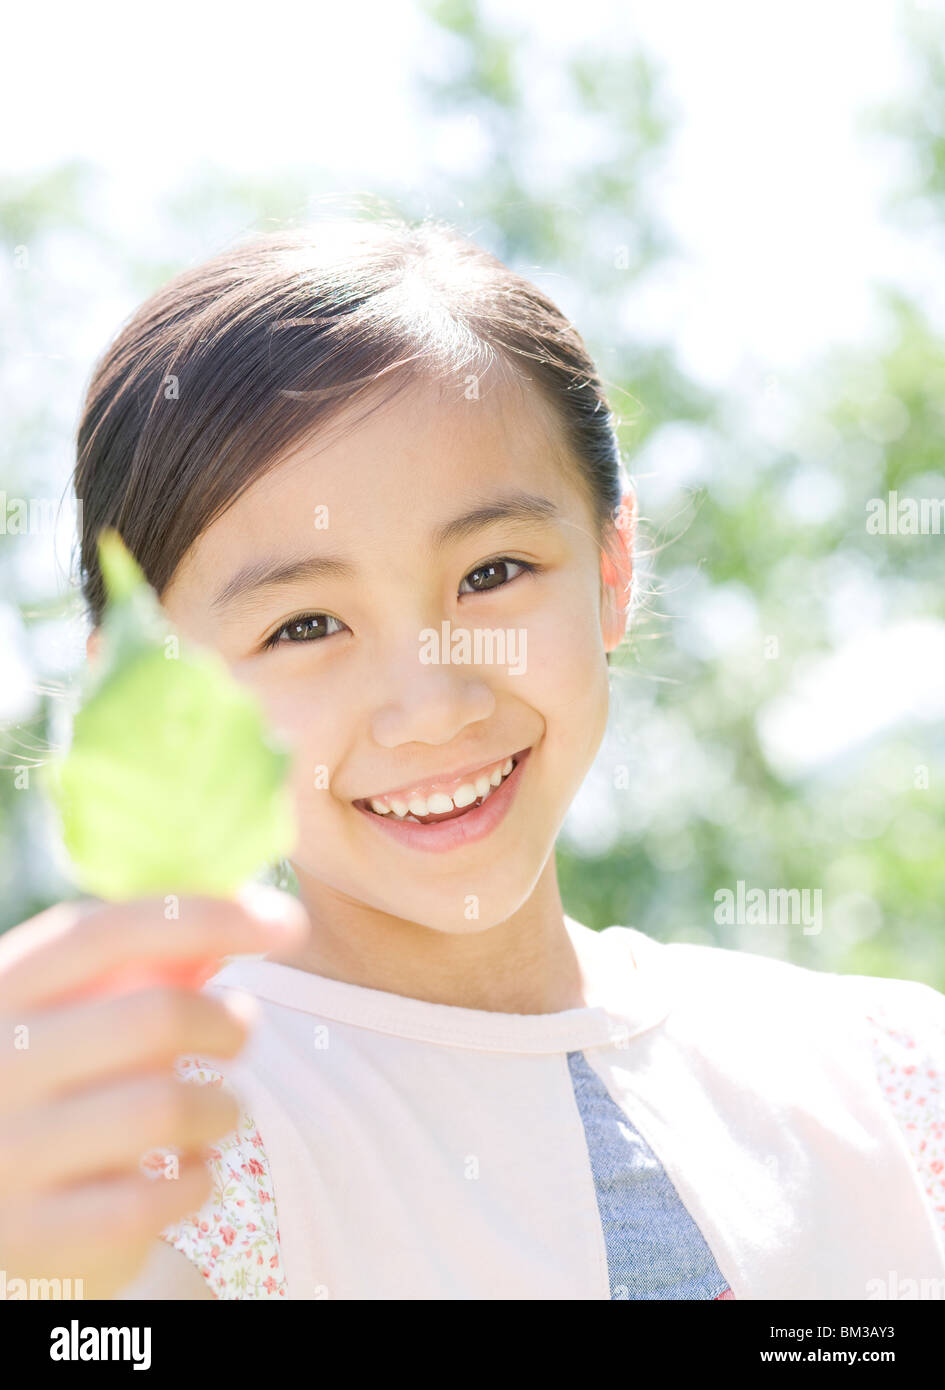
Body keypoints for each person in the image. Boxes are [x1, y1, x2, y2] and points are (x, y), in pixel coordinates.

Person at [3, 215, 942, 1300]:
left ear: (611, 564)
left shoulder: (894, 1075)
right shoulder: (157, 1151)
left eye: (493, 571)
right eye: (304, 626)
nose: (432, 705)